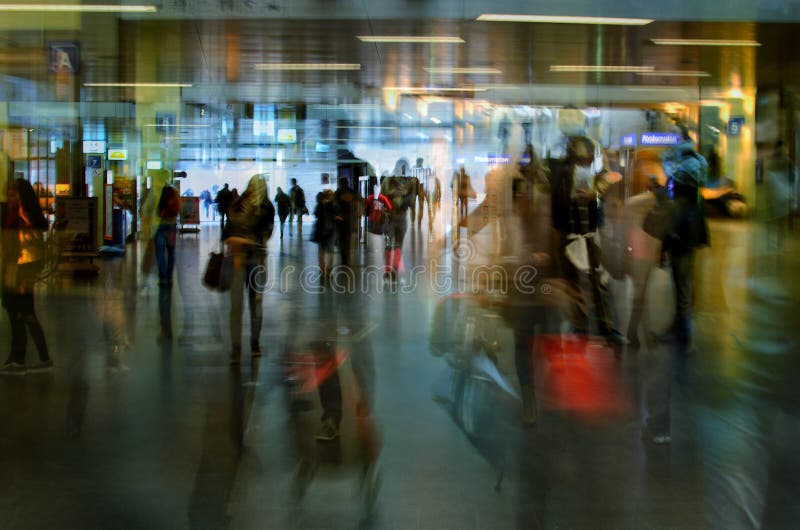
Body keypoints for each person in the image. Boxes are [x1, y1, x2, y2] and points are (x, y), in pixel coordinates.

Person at [550, 135, 624, 344]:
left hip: (591, 236)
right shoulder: (562, 176)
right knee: (574, 284)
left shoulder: (593, 176)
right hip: (570, 236)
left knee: (599, 282)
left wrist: (597, 191)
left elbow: (609, 179)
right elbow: (558, 208)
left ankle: (604, 324)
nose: (586, 162)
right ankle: (580, 326)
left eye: (588, 158)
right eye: (583, 159)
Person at [660, 139, 710, 344]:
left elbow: (675, 207)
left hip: (682, 236)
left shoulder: (684, 174)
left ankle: (682, 331)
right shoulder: (695, 171)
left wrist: (671, 232)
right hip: (688, 234)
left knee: (682, 283)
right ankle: (680, 327)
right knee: (682, 283)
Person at [1, 178, 52, 374]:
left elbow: (25, 251)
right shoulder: (19, 216)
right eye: (9, 194)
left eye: (13, 194)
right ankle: (35, 358)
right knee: (24, 315)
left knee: (21, 315)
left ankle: (20, 360)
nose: (10, 198)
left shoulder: (22, 218)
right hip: (18, 272)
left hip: (19, 273)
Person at [223, 174, 275, 364]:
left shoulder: (239, 204)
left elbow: (226, 232)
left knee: (237, 306)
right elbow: (267, 234)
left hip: (239, 258)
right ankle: (253, 345)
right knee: (255, 303)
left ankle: (237, 348)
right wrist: (252, 239)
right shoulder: (267, 207)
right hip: (256, 259)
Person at [154, 185, 180, 338]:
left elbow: (158, 213)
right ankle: (169, 276)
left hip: (162, 227)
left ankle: (163, 277)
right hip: (172, 226)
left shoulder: (162, 199)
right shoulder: (175, 199)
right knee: (171, 253)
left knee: (160, 253)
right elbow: (177, 211)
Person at [381, 174, 416, 281]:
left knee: (396, 246)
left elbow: (412, 201)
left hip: (399, 217)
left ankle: (393, 270)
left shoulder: (410, 182)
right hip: (390, 217)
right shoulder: (388, 181)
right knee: (390, 245)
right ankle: (389, 270)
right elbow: (381, 198)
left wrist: (406, 195)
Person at [312, 189, 337, 279]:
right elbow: (317, 214)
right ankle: (326, 269)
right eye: (331, 195)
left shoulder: (323, 204)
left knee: (324, 250)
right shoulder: (329, 205)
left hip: (325, 230)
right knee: (327, 250)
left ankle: (325, 269)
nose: (332, 197)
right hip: (327, 230)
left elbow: (316, 214)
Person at [334, 178, 359, 268]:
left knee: (342, 240)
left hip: (341, 219)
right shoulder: (351, 192)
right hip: (349, 219)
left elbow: (335, 205)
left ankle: (344, 259)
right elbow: (356, 203)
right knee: (347, 240)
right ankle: (346, 259)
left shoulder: (338, 193)